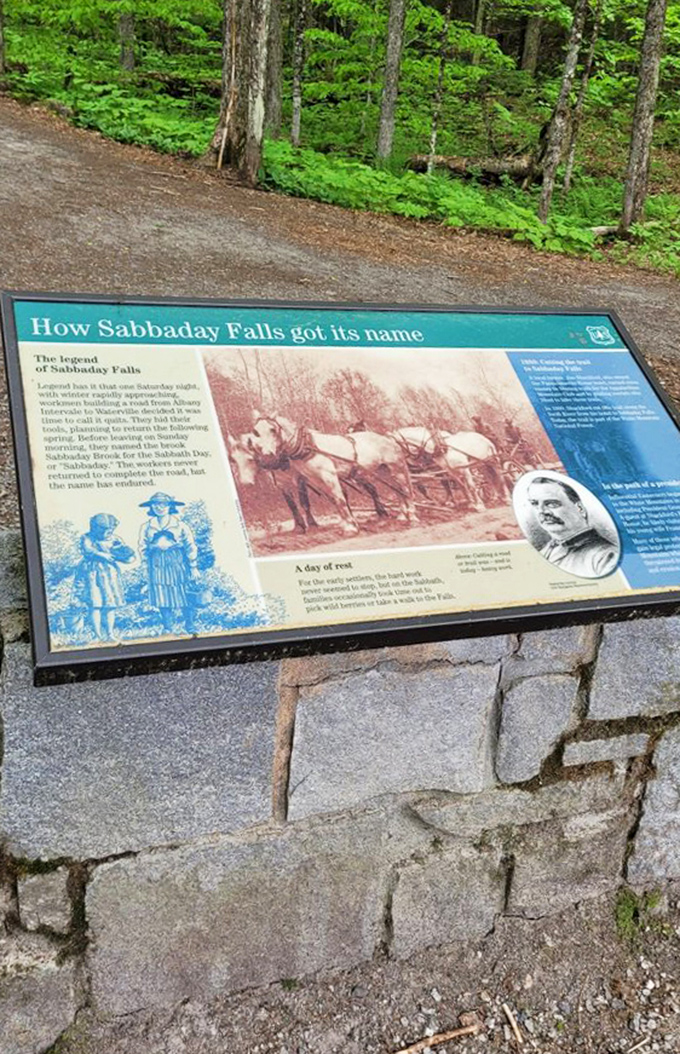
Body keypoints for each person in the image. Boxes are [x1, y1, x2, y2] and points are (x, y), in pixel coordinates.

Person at [526, 476, 618, 579]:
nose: (542, 511)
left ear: (580, 509)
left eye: (552, 504)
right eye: (535, 504)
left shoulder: (604, 556)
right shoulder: (545, 550)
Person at [138, 491, 199, 634]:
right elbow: (142, 548)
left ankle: (189, 625)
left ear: (169, 506)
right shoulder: (146, 527)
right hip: (157, 564)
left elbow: (190, 545)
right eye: (155, 504)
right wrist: (146, 567)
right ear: (151, 507)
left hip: (177, 562)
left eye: (163, 504)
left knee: (184, 592)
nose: (159, 507)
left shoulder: (180, 525)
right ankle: (168, 627)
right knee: (161, 594)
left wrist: (193, 566)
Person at [75, 513, 134, 642]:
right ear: (95, 528)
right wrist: (102, 555)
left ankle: (110, 633)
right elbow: (87, 551)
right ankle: (97, 635)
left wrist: (127, 556)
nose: (108, 533)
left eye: (110, 530)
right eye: (104, 530)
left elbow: (125, 554)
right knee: (95, 604)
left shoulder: (115, 539)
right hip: (92, 574)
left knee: (110, 605)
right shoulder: (87, 538)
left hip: (110, 575)